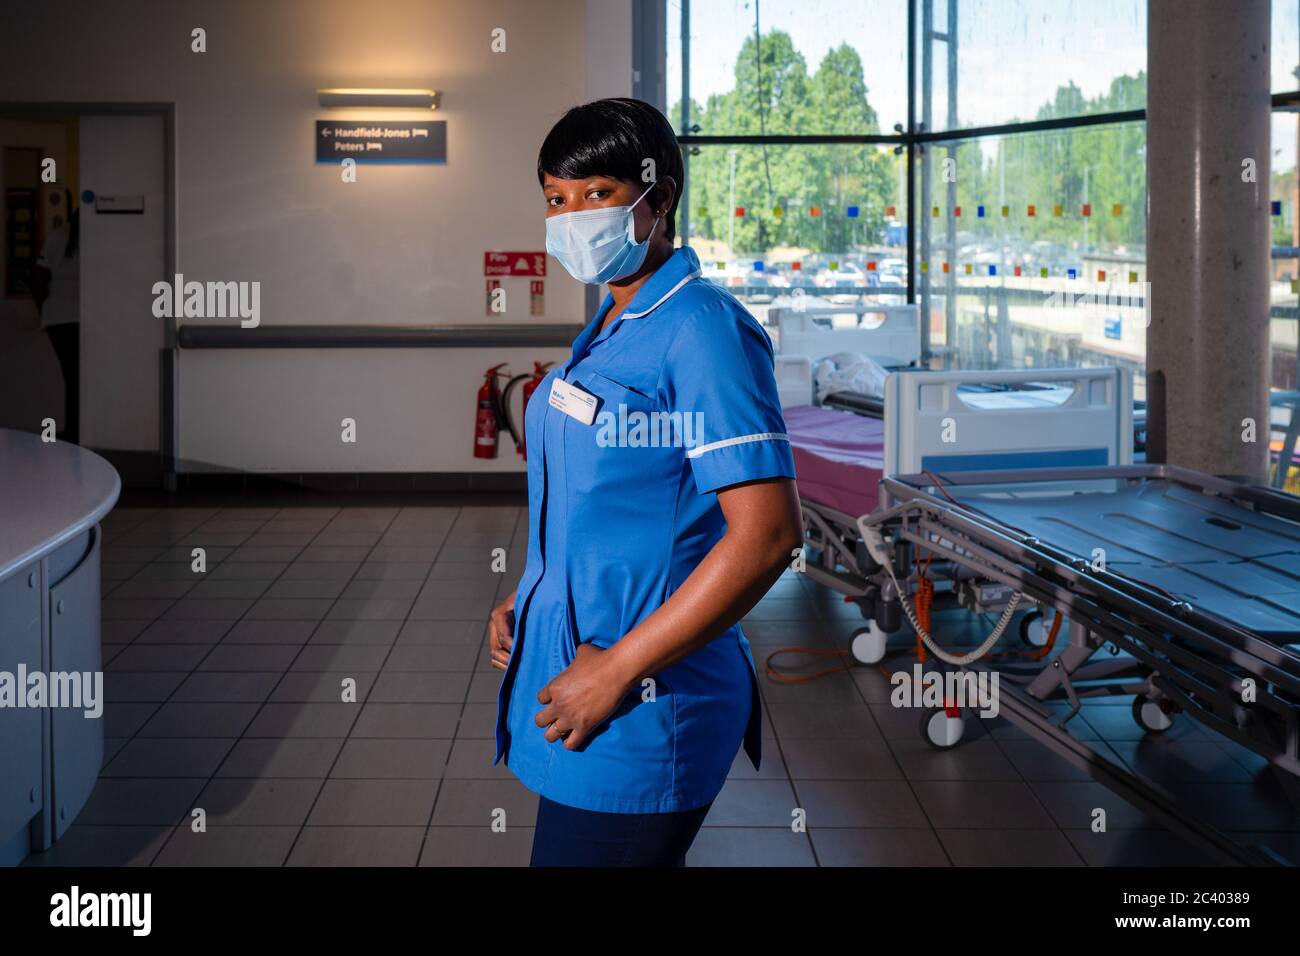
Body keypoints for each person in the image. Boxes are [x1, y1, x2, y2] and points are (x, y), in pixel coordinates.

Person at [489, 98, 802, 867]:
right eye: (554, 200)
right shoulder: (608, 325)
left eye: (595, 194)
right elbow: (612, 499)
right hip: (580, 674)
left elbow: (766, 537)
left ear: (658, 198)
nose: (570, 218)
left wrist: (621, 669)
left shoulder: (702, 330)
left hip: (645, 701)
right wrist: (535, 593)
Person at [33, 190, 80, 444]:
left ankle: (74, 435)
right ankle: (78, 435)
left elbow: (39, 280)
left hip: (58, 319)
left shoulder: (55, 237)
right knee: (80, 381)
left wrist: (45, 311)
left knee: (72, 380)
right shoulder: (96, 240)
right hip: (83, 320)